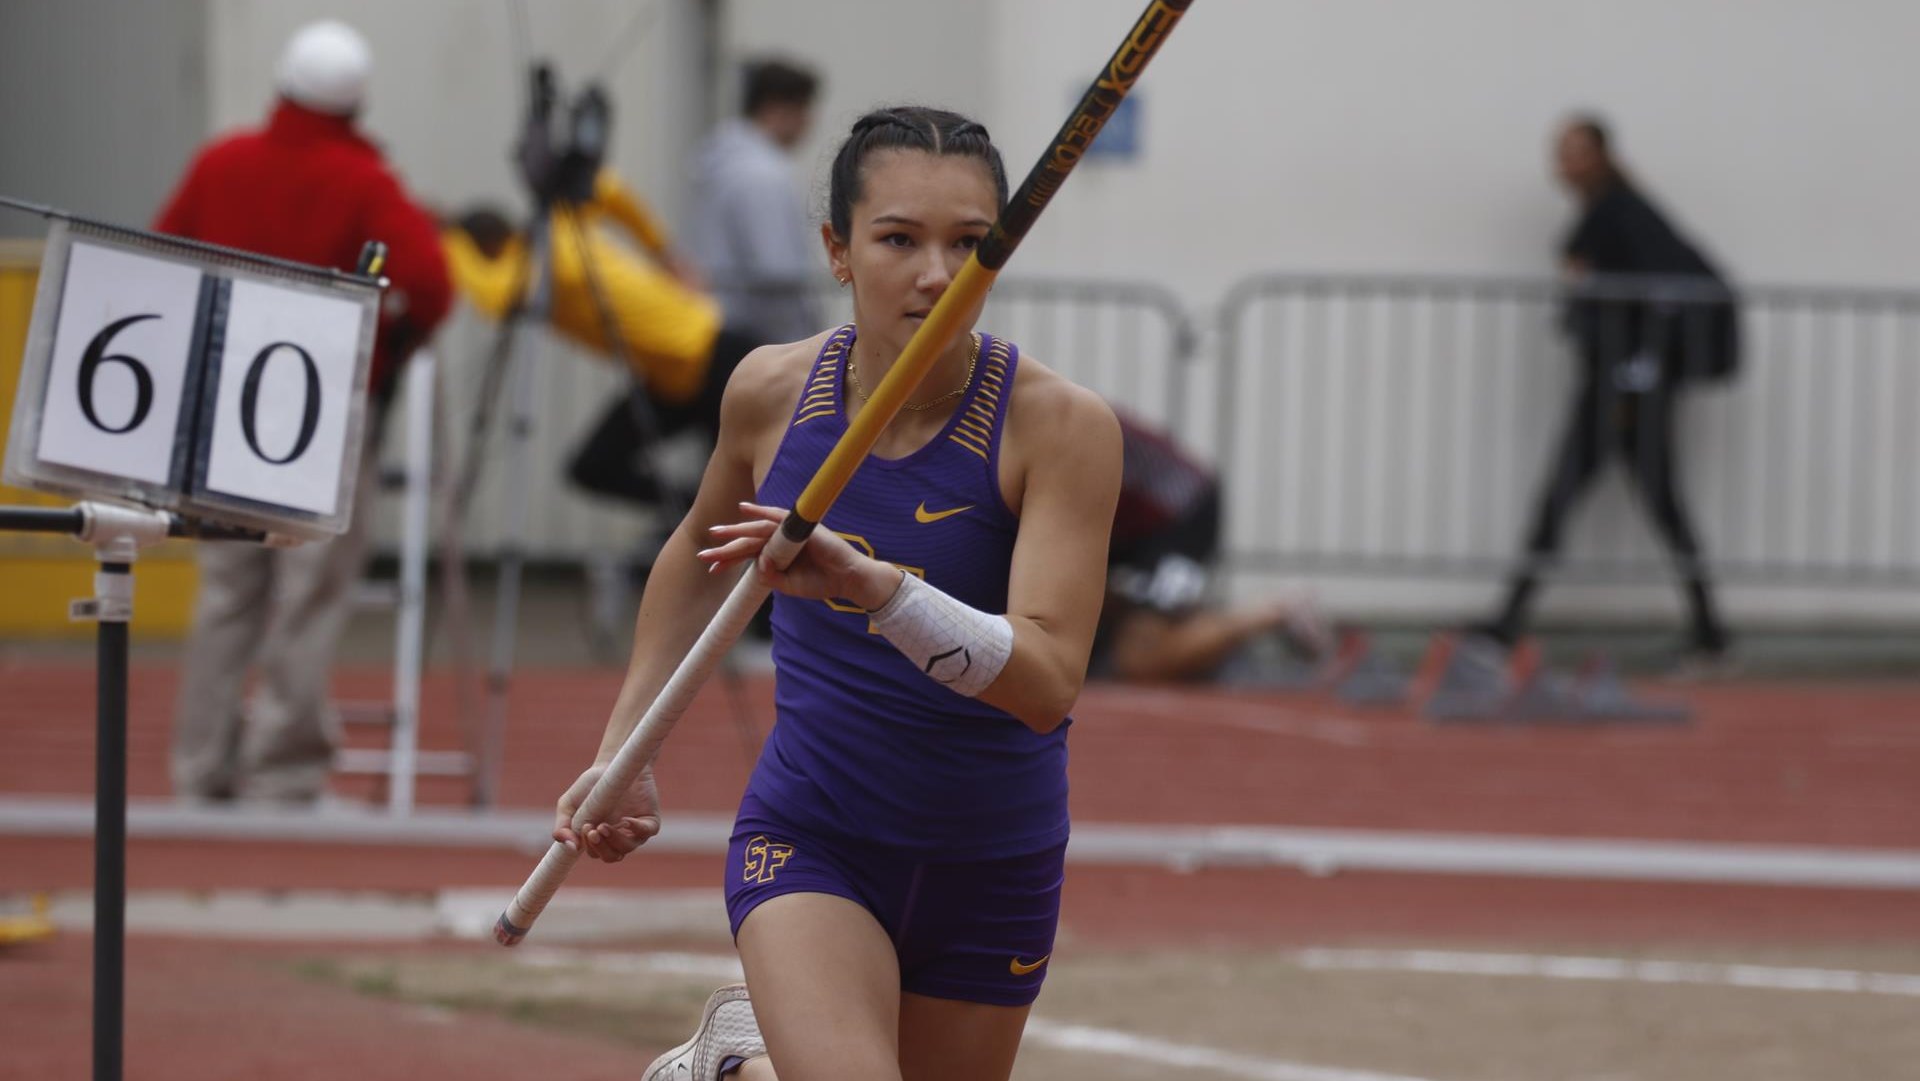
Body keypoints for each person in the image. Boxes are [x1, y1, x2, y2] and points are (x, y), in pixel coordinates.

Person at [554, 106, 1122, 1081]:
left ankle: (739, 1073)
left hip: (994, 857)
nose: (937, 274)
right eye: (899, 239)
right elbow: (700, 552)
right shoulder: (772, 394)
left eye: (969, 245)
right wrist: (625, 749)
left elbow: (1046, 682)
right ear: (838, 250)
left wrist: (879, 589)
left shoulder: (1059, 428)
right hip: (814, 837)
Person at [158, 20, 452, 805]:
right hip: (321, 411)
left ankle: (199, 766)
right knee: (308, 592)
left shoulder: (220, 163)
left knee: (227, 592)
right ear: (357, 102)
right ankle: (281, 772)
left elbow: (163, 257)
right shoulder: (364, 181)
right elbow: (429, 282)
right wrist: (385, 354)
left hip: (221, 406)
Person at [1478, 115, 1734, 667]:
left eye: (1575, 150)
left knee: (1644, 502)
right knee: (1571, 500)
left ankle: (1710, 630)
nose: (1564, 162)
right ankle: (1507, 620)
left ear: (1601, 154)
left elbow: (1656, 290)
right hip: (1611, 384)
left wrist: (1640, 368)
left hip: (1625, 389)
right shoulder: (1606, 213)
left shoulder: (1623, 213)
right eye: (1560, 151)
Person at [443, 172, 761, 509]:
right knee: (595, 466)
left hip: (713, 357)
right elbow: (609, 189)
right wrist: (664, 252)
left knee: (736, 492)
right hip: (675, 378)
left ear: (488, 249)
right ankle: (694, 515)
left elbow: (492, 297)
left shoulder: (537, 263)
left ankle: (704, 519)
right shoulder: (561, 226)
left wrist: (448, 242)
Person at [1095, 410, 1329, 683]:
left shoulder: (1059, 423)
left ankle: (1273, 611)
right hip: (1131, 515)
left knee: (1140, 659)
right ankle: (1189, 625)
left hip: (1179, 514)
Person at [686, 58, 824, 346]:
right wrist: (804, 345)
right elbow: (776, 274)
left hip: (714, 325)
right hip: (755, 341)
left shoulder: (724, 163)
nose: (809, 122)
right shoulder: (762, 175)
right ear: (776, 108)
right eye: (804, 109)